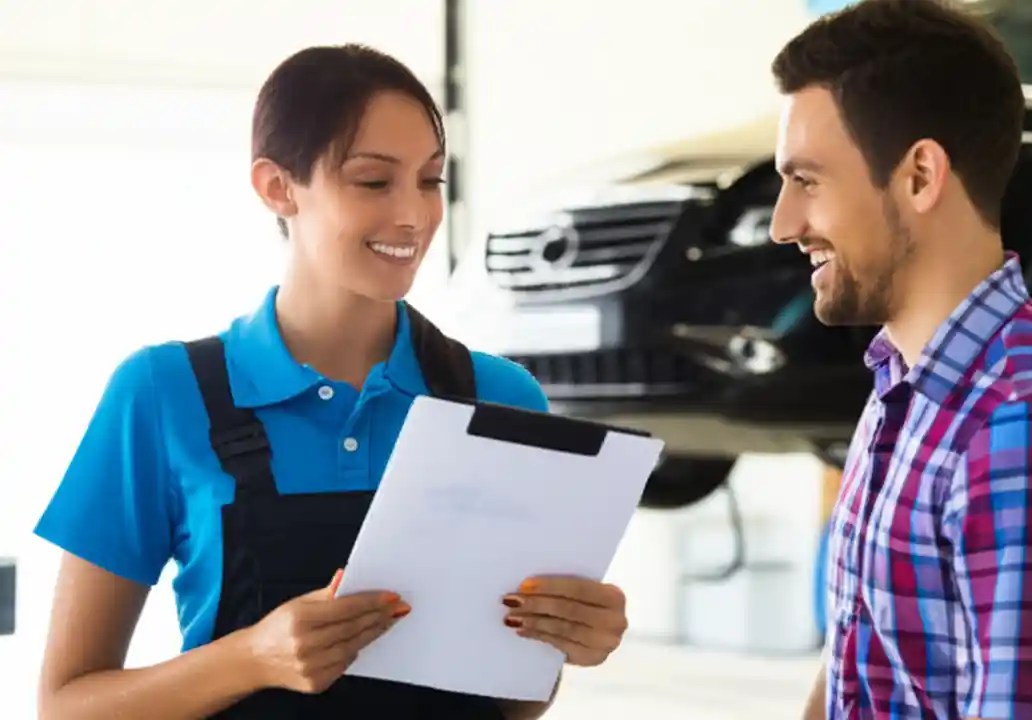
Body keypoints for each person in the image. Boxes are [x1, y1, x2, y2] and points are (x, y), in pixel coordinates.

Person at [33, 44, 628, 719]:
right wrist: (252, 657)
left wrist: (563, 642)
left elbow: (513, 706)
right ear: (277, 187)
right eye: (374, 182)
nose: (413, 214)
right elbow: (66, 706)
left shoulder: (501, 397)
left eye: (431, 180)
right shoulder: (162, 393)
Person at [768, 1, 1032, 718]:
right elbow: (864, 662)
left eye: (808, 181)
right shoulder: (903, 386)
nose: (782, 224)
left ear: (921, 175)